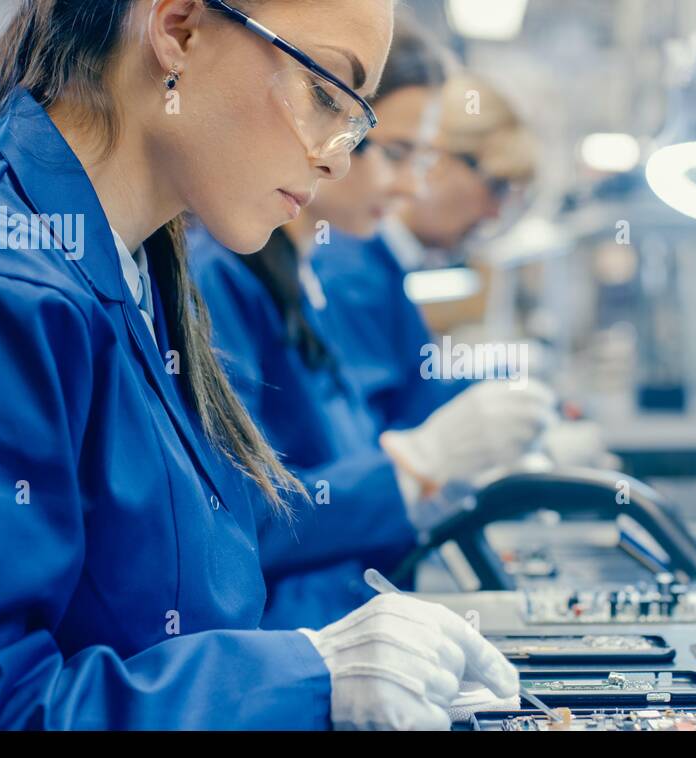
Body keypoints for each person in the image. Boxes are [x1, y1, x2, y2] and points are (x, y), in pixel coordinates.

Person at [0, 0, 516, 732]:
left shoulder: (138, 276)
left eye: (355, 117)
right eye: (324, 92)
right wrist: (305, 677)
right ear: (178, 29)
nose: (338, 155)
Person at [190, 19, 556, 631]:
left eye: (423, 158)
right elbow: (241, 527)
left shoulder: (305, 283)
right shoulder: (224, 282)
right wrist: (414, 464)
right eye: (396, 154)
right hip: (292, 639)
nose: (411, 185)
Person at [313, 73, 539, 433]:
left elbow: (408, 397)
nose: (495, 212)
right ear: (437, 157)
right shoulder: (348, 270)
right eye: (495, 186)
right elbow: (377, 432)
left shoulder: (384, 265)